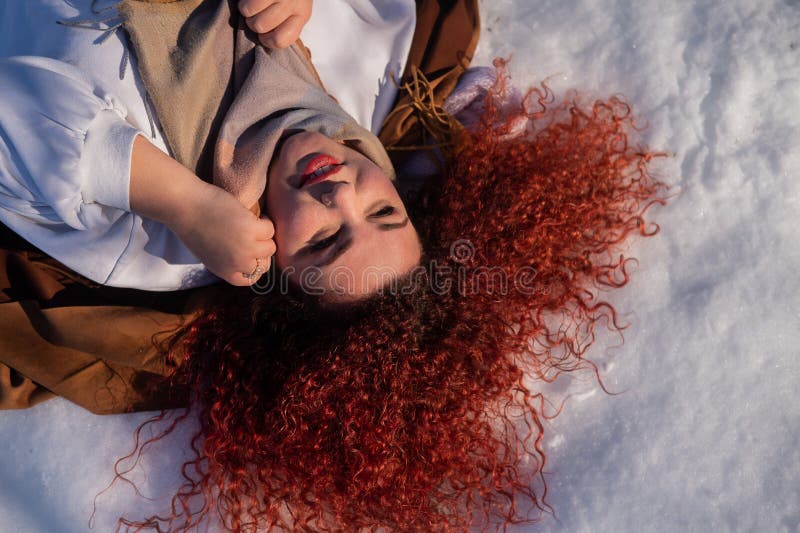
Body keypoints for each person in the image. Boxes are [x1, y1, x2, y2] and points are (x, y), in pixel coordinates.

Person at [1, 1, 667, 530]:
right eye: (384, 214)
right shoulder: (373, 68)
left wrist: (184, 203)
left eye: (323, 241)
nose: (341, 191)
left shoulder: (149, 241)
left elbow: (20, 109)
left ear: (270, 274)